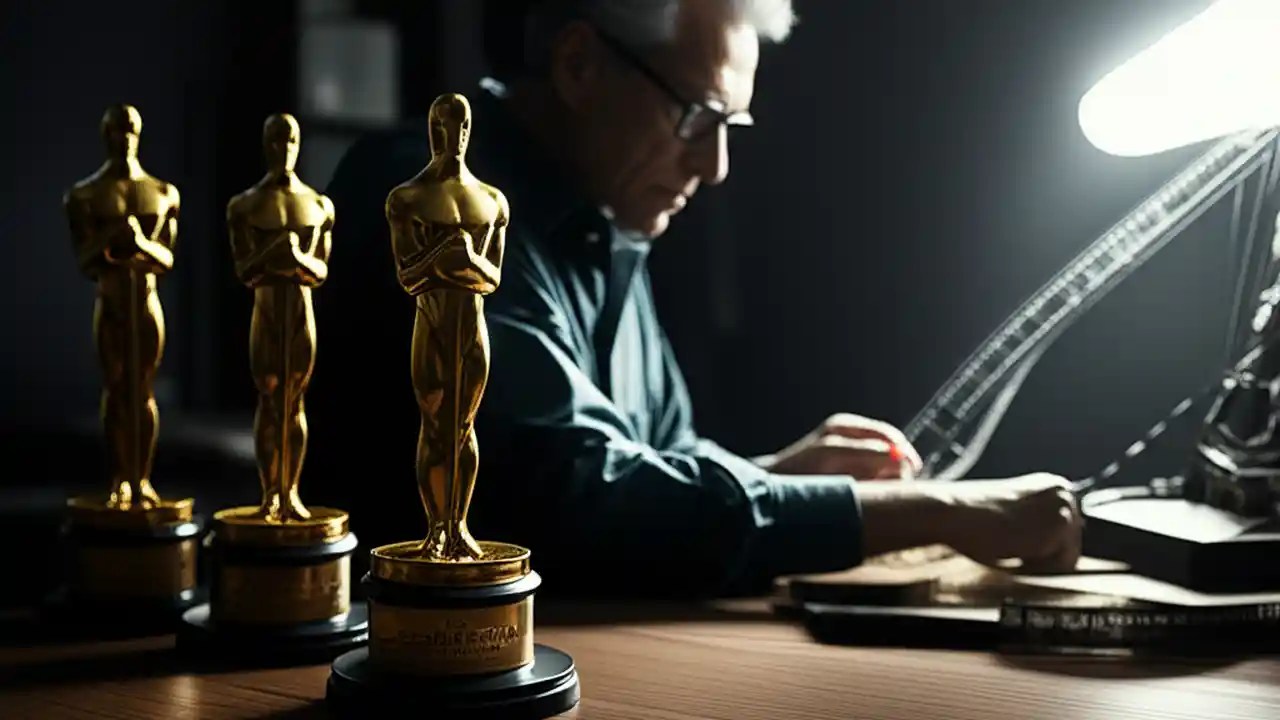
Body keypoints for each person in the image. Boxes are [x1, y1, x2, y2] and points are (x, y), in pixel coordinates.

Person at [319, 0, 1081, 596]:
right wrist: (944, 512)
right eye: (696, 117)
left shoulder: (601, 212)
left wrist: (778, 475)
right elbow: (574, 502)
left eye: (728, 126)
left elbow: (653, 464)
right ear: (579, 64)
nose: (714, 167)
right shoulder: (438, 206)